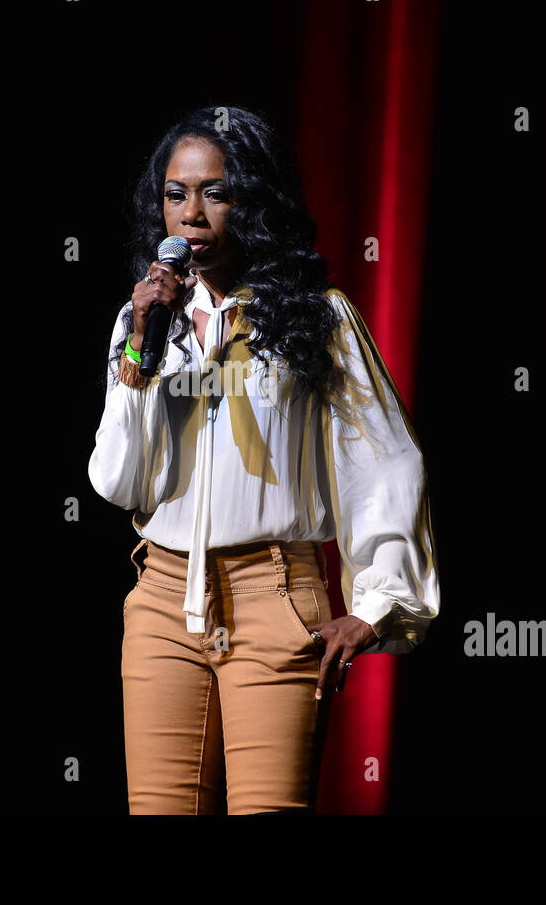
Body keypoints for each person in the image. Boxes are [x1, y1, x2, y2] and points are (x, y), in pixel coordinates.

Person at [88, 106, 440, 815]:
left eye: (215, 192)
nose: (191, 213)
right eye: (176, 193)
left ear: (252, 200)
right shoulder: (145, 324)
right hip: (162, 602)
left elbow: (386, 464)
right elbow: (115, 480)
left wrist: (377, 604)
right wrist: (138, 353)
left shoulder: (318, 317)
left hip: (274, 598)